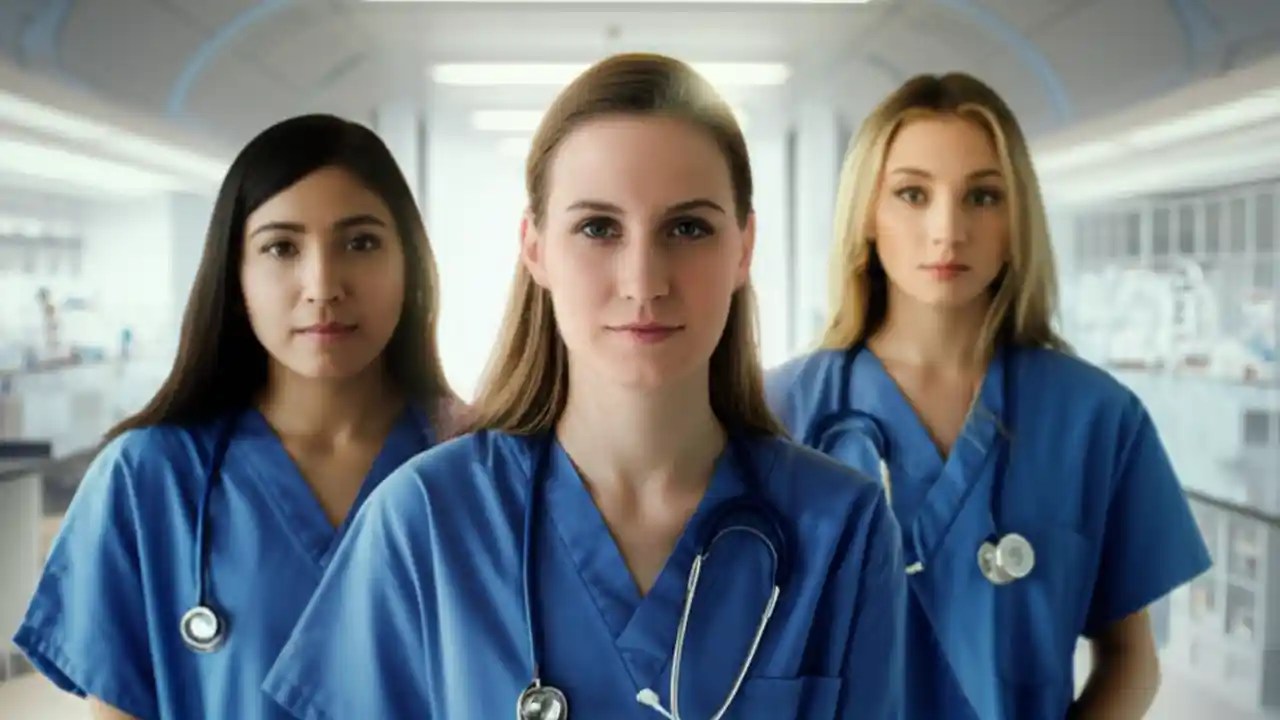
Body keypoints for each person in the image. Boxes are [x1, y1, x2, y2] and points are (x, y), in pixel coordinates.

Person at [263, 53, 905, 720]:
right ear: (534, 247)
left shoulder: (842, 530)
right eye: (598, 228)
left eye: (687, 228)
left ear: (742, 248)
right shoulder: (424, 522)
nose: (643, 281)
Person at [766, 73, 1212, 719]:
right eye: (913, 194)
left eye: (982, 196)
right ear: (868, 213)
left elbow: (1130, 657)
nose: (947, 231)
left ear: (1016, 220)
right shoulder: (780, 413)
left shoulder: (1095, 418)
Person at [13, 114, 461, 720]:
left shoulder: (483, 468)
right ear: (236, 276)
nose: (322, 285)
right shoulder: (149, 479)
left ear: (409, 263)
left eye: (360, 243)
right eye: (282, 247)